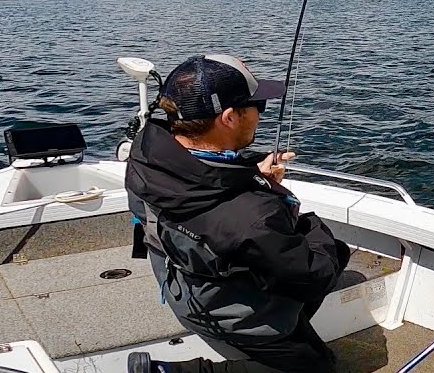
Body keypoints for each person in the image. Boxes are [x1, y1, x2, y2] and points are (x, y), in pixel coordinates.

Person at [125, 54, 350, 373]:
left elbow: (202, 185)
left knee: (312, 350)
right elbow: (314, 277)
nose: (260, 115)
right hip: (224, 313)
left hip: (179, 286)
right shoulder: (251, 214)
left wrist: (247, 172)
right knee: (334, 255)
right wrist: (302, 218)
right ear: (229, 117)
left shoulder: (145, 156)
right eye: (258, 106)